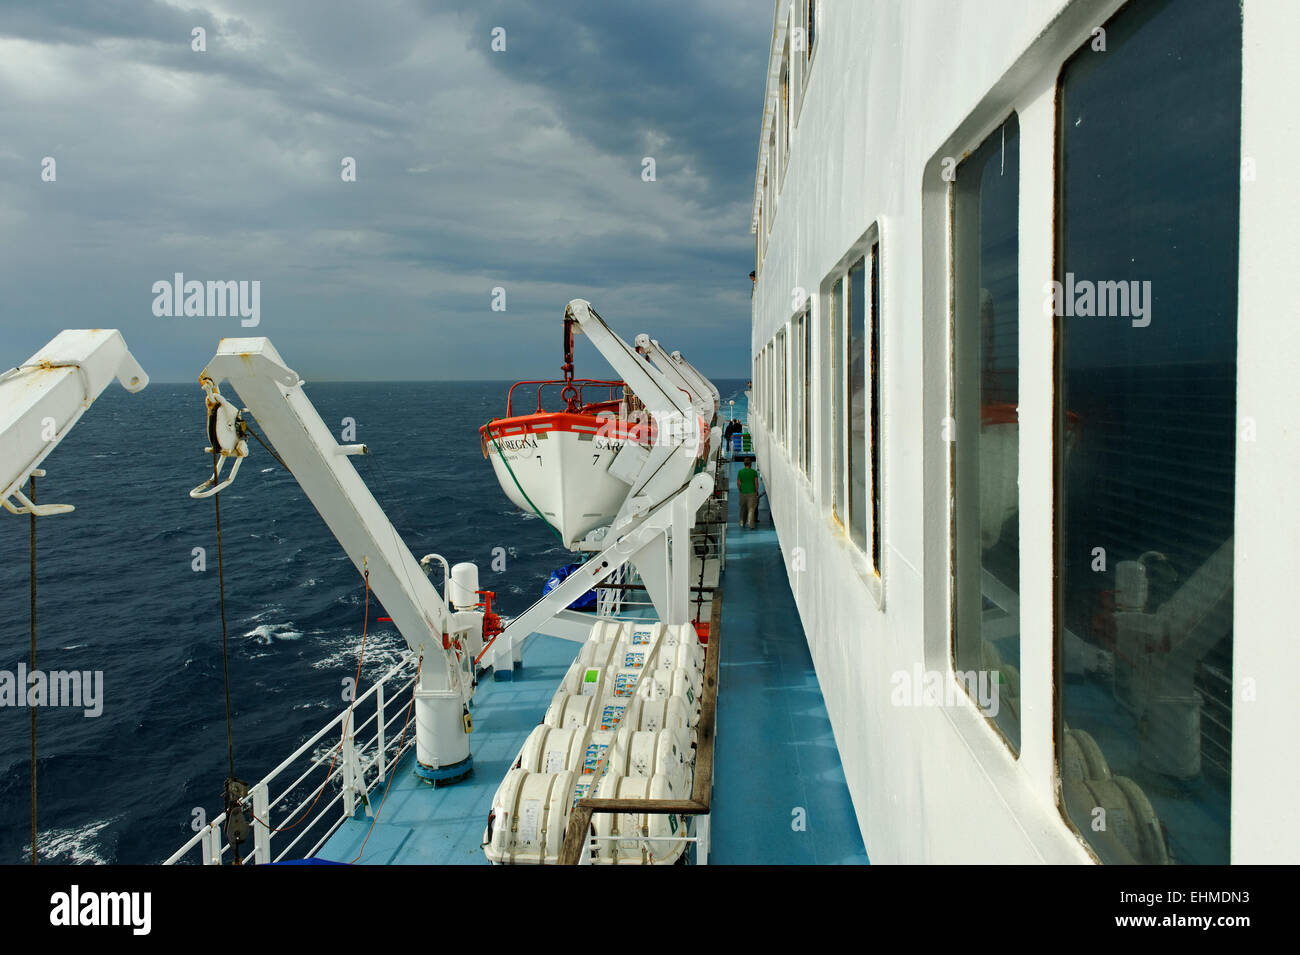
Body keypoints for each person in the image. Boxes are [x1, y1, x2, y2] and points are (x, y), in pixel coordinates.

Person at [737, 457, 760, 528]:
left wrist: (740, 490)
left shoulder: (740, 472)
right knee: (751, 509)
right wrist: (756, 491)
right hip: (752, 493)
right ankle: (751, 525)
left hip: (743, 493)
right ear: (750, 464)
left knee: (742, 509)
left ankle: (742, 523)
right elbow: (756, 483)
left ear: (744, 464)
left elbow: (738, 483)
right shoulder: (754, 472)